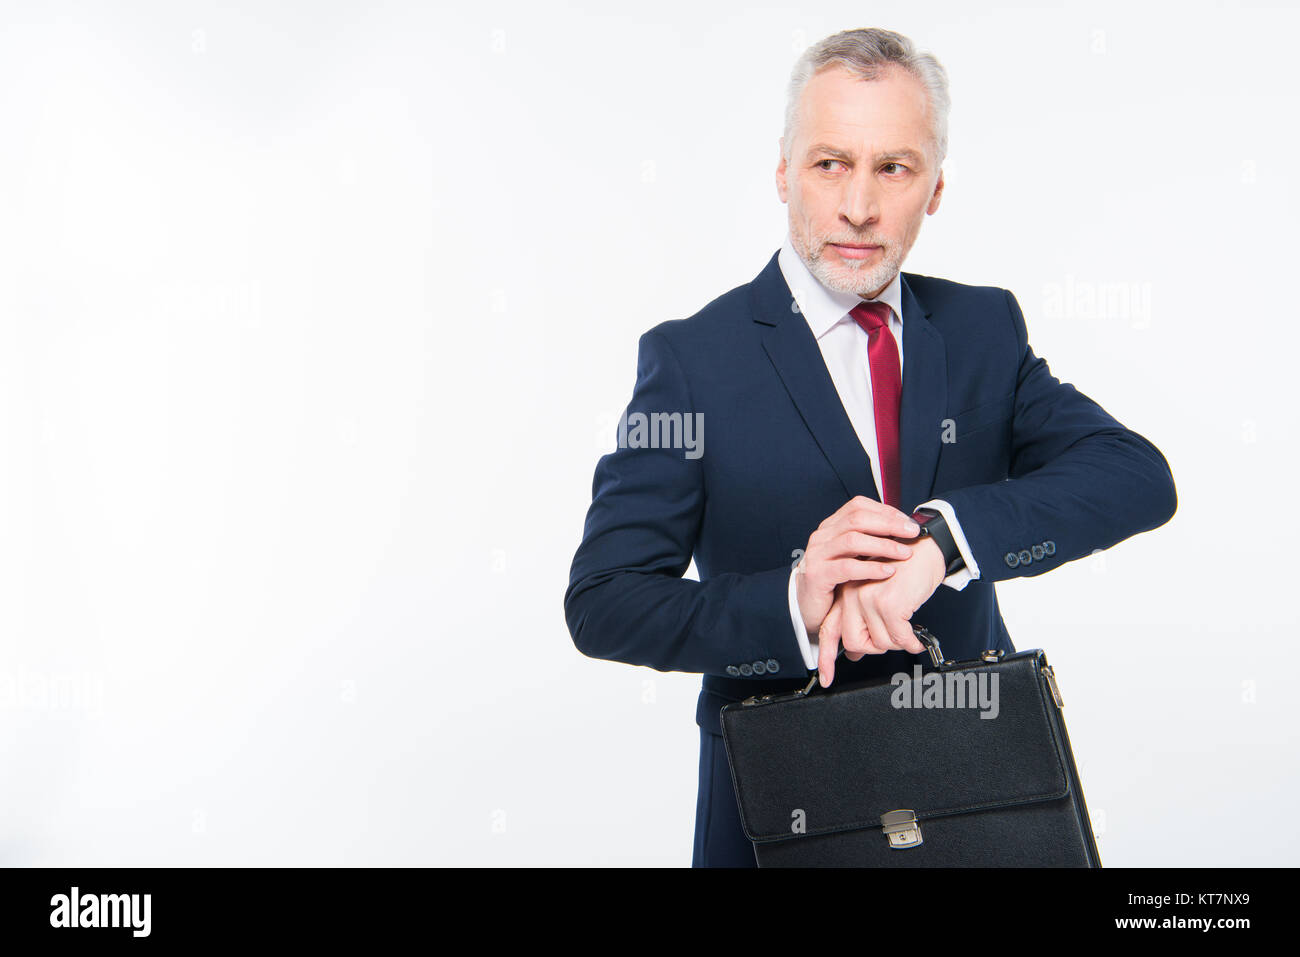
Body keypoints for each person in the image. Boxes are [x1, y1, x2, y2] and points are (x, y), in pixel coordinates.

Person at [563, 27, 1176, 867]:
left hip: (976, 786)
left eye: (893, 166)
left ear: (935, 187)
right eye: (829, 163)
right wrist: (794, 599)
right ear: (783, 174)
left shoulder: (982, 327)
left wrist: (944, 542)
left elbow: (1135, 477)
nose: (858, 205)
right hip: (778, 803)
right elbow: (604, 600)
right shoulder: (692, 361)